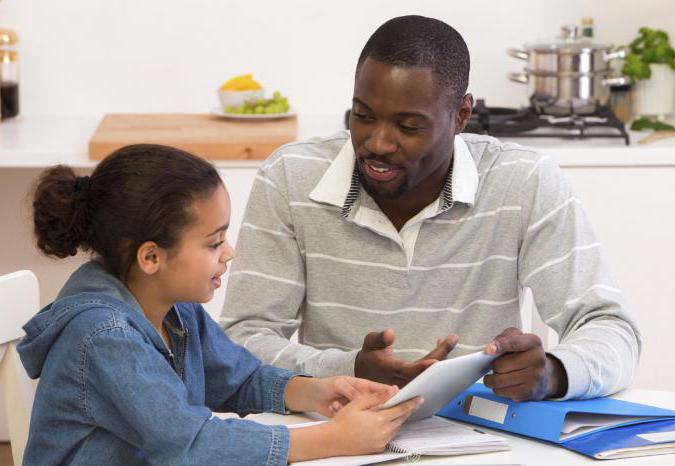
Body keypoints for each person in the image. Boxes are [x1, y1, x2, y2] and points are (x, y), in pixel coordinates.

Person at [220, 15, 641, 402]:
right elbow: (240, 341)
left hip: (487, 437)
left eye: (409, 126)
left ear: (461, 115)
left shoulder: (523, 182)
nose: (378, 143)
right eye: (363, 116)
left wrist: (554, 372)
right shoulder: (291, 177)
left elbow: (610, 329)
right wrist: (346, 368)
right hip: (340, 432)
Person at [19, 144, 422, 465]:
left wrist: (316, 391)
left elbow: (238, 379)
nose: (229, 253)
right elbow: (191, 446)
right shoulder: (104, 337)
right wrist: (335, 439)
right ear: (151, 258)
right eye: (214, 243)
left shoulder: (175, 308)